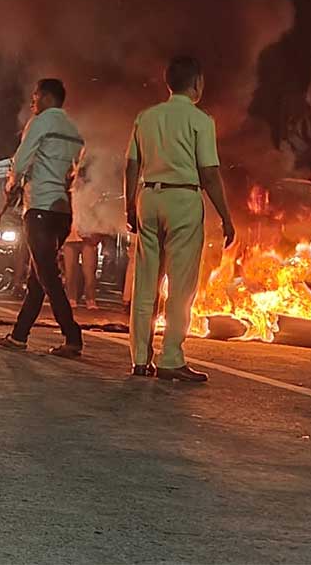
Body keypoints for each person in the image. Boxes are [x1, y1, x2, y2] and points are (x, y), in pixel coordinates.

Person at [125, 56, 234, 381]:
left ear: (168, 82)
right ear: (197, 83)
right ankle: (171, 357)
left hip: (149, 197)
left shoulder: (145, 117)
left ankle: (140, 360)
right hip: (184, 199)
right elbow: (210, 173)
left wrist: (130, 206)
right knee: (181, 285)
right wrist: (226, 217)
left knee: (146, 283)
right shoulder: (201, 120)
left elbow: (131, 165)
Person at [0, 79, 85, 357]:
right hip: (62, 212)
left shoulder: (41, 122)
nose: (32, 99)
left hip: (40, 210)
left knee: (47, 275)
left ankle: (73, 336)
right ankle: (19, 335)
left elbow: (21, 161)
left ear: (47, 97)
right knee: (38, 277)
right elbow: (73, 173)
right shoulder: (75, 130)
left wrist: (11, 186)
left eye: (35, 94)